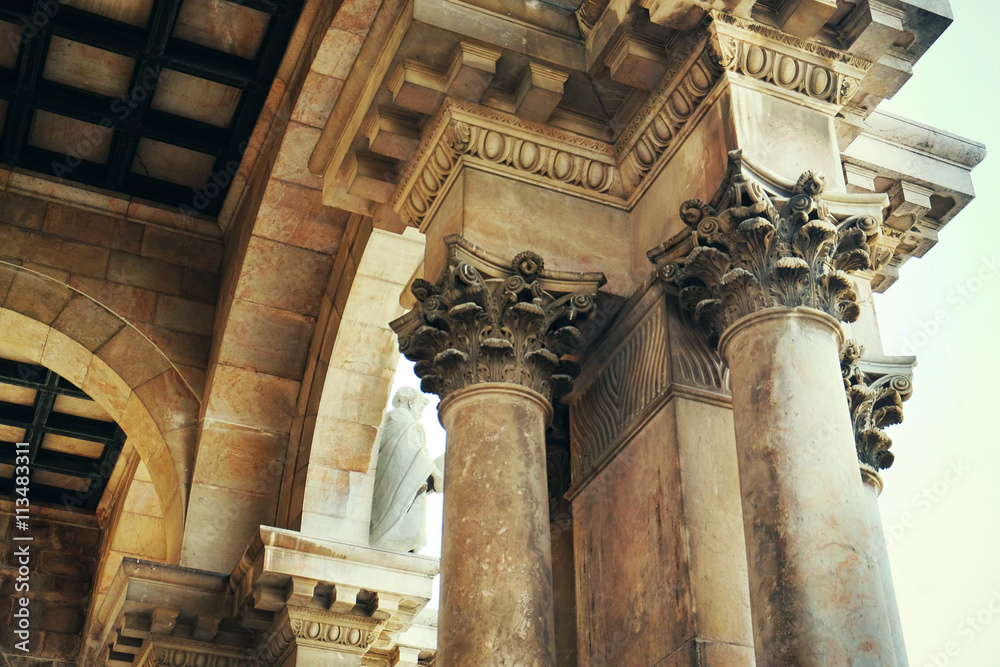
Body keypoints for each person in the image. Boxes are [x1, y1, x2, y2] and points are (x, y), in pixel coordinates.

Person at [370, 386, 444, 552]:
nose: (421, 413)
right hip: (401, 492)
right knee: (407, 535)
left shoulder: (388, 422)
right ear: (411, 403)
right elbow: (412, 457)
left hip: (394, 488)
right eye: (420, 407)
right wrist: (437, 473)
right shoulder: (407, 425)